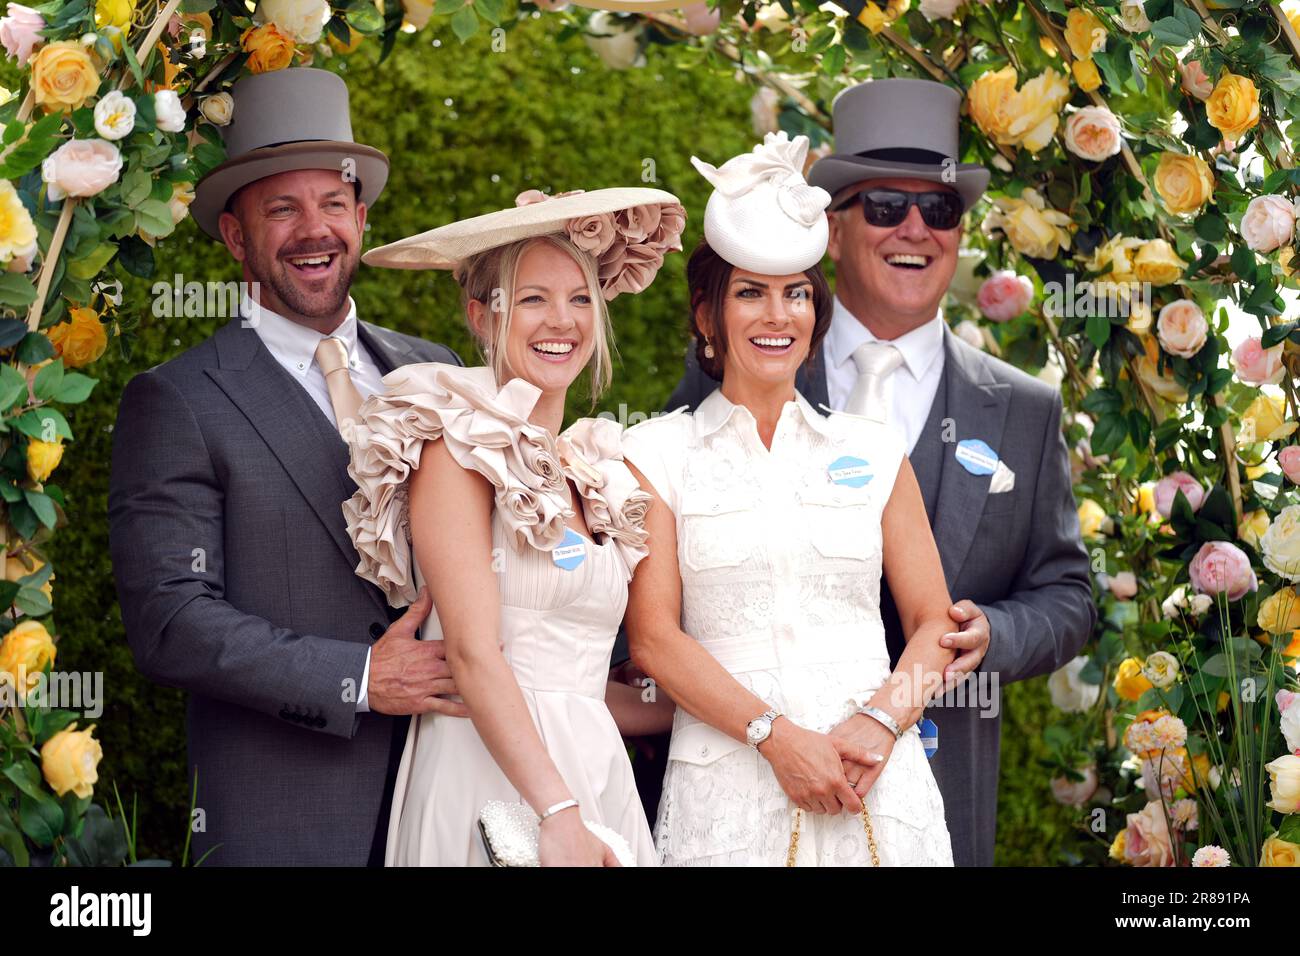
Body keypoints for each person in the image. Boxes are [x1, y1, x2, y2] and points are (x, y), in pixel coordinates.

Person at [660, 78, 1097, 866]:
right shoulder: (738, 361)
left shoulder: (1025, 409)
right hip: (749, 779)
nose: (916, 229)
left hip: (938, 785)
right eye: (887, 206)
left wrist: (988, 634)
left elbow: (1068, 594)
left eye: (940, 209)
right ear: (831, 229)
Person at [107, 68, 464, 866]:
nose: (315, 230)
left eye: (334, 203)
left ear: (361, 220)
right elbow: (171, 622)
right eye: (282, 209)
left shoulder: (434, 372)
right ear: (236, 237)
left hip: (451, 789)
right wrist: (358, 678)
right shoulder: (178, 400)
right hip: (292, 819)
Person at [621, 131, 960, 866]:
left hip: (879, 785)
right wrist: (776, 739)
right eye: (750, 293)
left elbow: (937, 625)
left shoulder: (874, 451)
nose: (777, 316)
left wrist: (882, 722)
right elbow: (653, 640)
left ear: (816, 312)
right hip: (728, 799)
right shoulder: (652, 453)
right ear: (708, 316)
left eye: (795, 294)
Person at [345, 187, 685, 866]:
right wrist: (557, 813)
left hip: (593, 778)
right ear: (482, 315)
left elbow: (573, 687)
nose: (561, 321)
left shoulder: (596, 470)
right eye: (532, 299)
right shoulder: (455, 450)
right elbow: (473, 657)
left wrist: (731, 705)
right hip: (491, 785)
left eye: (580, 298)